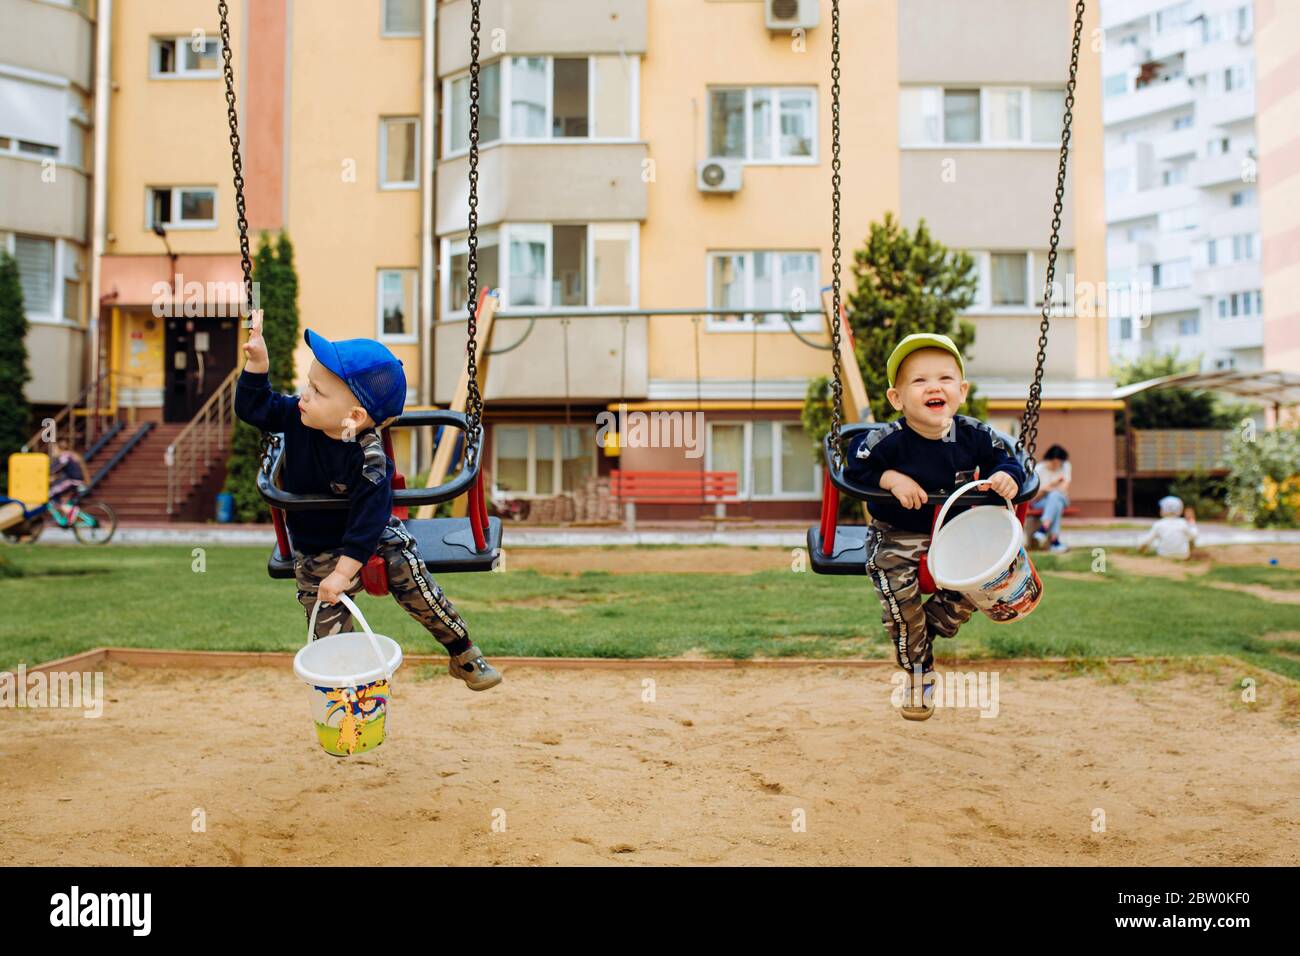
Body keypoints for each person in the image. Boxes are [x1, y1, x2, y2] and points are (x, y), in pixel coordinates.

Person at [235, 310, 501, 691]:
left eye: (317, 391)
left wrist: (345, 572)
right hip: (315, 547)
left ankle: (461, 651)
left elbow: (368, 522)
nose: (303, 396)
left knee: (412, 574)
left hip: (372, 537)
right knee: (324, 633)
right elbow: (253, 408)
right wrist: (257, 365)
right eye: (308, 385)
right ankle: (340, 696)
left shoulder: (370, 458)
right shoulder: (297, 416)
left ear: (354, 416)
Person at [846, 333, 1024, 718]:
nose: (933, 387)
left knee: (987, 582)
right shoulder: (887, 440)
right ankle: (918, 671)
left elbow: (1006, 461)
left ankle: (927, 627)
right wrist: (891, 478)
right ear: (897, 398)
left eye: (944, 379)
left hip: (956, 534)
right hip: (897, 532)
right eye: (920, 380)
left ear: (961, 390)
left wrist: (1007, 476)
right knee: (896, 590)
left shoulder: (973, 434)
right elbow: (854, 463)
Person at [1031, 444, 1071, 554]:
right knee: (1056, 503)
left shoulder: (1065, 466)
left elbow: (1064, 489)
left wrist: (1050, 489)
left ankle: (1044, 528)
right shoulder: (1039, 469)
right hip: (1041, 502)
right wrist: (1050, 486)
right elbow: (1035, 497)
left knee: (1055, 496)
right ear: (1048, 459)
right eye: (1054, 462)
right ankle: (1055, 541)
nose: (1056, 466)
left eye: (1059, 463)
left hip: (1061, 498)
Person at [1137, 494, 1199, 560]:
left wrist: (1140, 546)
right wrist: (1192, 523)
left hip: (1164, 555)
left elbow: (1147, 540)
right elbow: (1194, 535)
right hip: (1183, 555)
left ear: (1165, 509)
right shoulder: (1183, 523)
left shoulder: (1159, 524)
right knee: (1190, 535)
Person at [48, 439, 89, 507]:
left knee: (50, 493)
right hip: (75, 480)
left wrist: (46, 473)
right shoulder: (69, 454)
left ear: (59, 449)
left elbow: (55, 468)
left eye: (53, 449)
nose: (52, 451)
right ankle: (68, 510)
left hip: (73, 481)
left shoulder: (64, 456)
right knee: (60, 498)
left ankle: (67, 510)